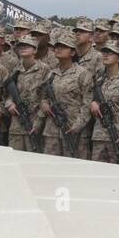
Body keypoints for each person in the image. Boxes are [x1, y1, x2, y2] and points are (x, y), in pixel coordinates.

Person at [36, 31, 90, 159]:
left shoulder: (83, 74)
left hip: (73, 130)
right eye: (57, 46)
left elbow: (87, 103)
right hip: (51, 131)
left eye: (64, 46)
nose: (59, 49)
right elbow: (43, 96)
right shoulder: (52, 74)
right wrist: (44, 104)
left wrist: (77, 126)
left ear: (73, 52)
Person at [5, 37, 50, 152]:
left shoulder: (44, 69)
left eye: (27, 45)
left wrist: (38, 121)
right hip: (16, 123)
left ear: (35, 50)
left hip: (34, 122)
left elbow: (46, 97)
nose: (23, 48)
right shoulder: (16, 69)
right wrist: (9, 103)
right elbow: (8, 93)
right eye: (21, 45)